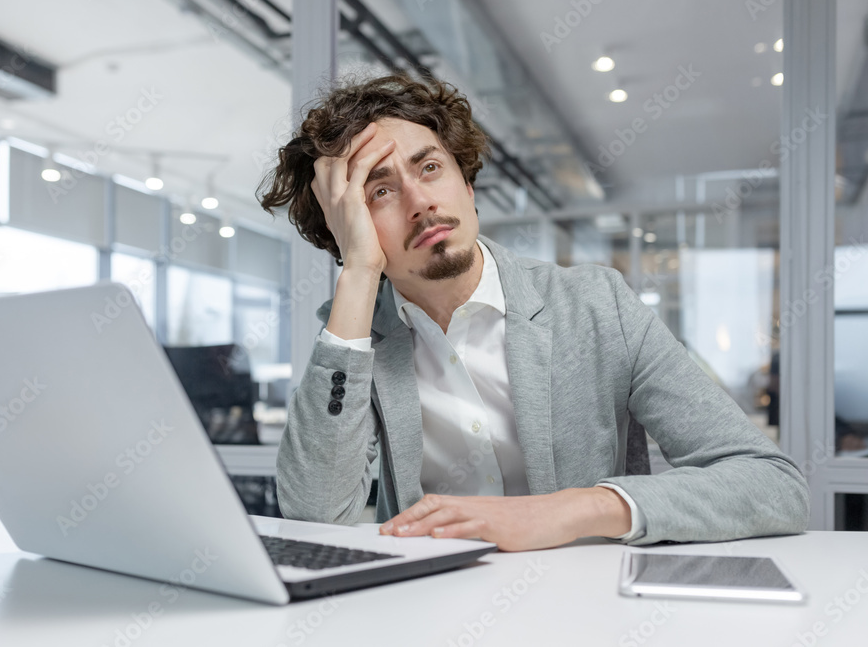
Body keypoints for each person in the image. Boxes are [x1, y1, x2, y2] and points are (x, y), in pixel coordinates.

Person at [259, 74, 809, 551]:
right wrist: (357, 274)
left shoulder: (598, 305)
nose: (419, 201)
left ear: (467, 186)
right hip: (426, 607)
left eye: (429, 167)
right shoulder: (356, 338)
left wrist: (572, 509)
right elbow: (315, 514)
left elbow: (771, 484)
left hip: (585, 605)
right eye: (379, 191)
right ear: (346, 230)